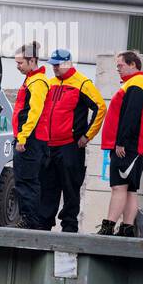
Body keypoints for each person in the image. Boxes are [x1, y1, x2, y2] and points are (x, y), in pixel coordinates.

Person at [35, 48, 106, 232]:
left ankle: (69, 228)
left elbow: (100, 107)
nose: (54, 68)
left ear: (68, 63)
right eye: (53, 65)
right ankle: (43, 225)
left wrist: (87, 135)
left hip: (70, 146)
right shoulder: (49, 84)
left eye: (58, 65)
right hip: (49, 146)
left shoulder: (82, 83)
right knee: (47, 187)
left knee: (70, 188)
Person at [98, 50, 143, 236]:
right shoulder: (135, 83)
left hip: (129, 146)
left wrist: (121, 141)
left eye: (121, 65)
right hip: (134, 145)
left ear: (133, 65)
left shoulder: (137, 83)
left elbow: (132, 114)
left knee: (119, 187)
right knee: (130, 188)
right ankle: (127, 228)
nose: (118, 69)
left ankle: (108, 227)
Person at [11, 42, 50, 228]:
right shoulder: (31, 79)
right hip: (29, 139)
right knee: (23, 181)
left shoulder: (38, 82)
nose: (17, 66)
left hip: (30, 141)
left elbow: (34, 112)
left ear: (32, 60)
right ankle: (28, 219)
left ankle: (30, 222)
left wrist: (23, 137)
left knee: (27, 182)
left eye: (20, 63)